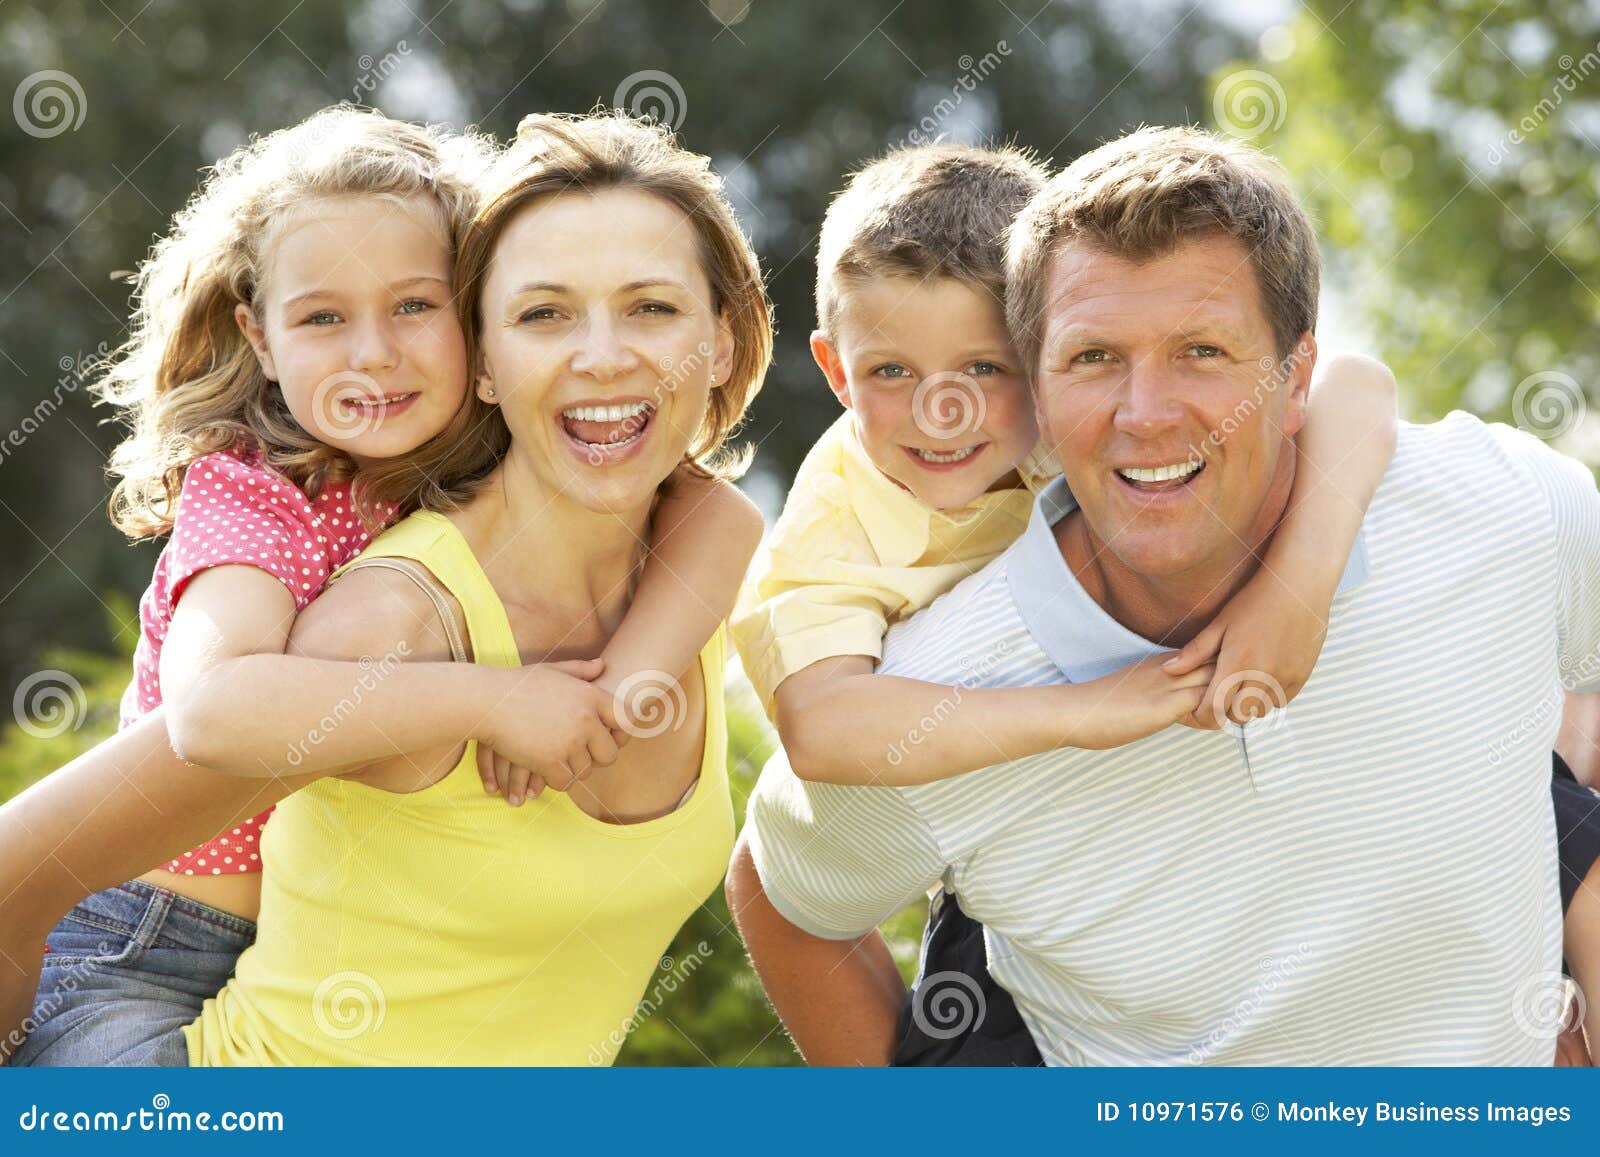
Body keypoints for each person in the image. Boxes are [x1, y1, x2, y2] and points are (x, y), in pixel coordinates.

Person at [729, 125, 1600, 1065]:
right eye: (1094, 358)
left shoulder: (1508, 508)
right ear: (1046, 386)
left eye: (1202, 352)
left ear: (1293, 374)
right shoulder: (928, 697)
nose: (1145, 414)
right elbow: (784, 899)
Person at [1, 109, 770, 1065]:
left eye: (414, 307)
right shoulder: (272, 506)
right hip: (140, 946)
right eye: (545, 312)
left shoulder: (467, 476)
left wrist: (617, 691)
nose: (374, 353)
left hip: (250, 946)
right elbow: (209, 715)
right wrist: (498, 700)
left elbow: (724, 514)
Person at [733, 142, 1398, 792]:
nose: (942, 413)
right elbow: (819, 729)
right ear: (836, 372)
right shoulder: (833, 526)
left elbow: (1358, 386)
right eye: (891, 371)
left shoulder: (1076, 419)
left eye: (985, 368)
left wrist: (1295, 590)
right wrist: (1088, 709)